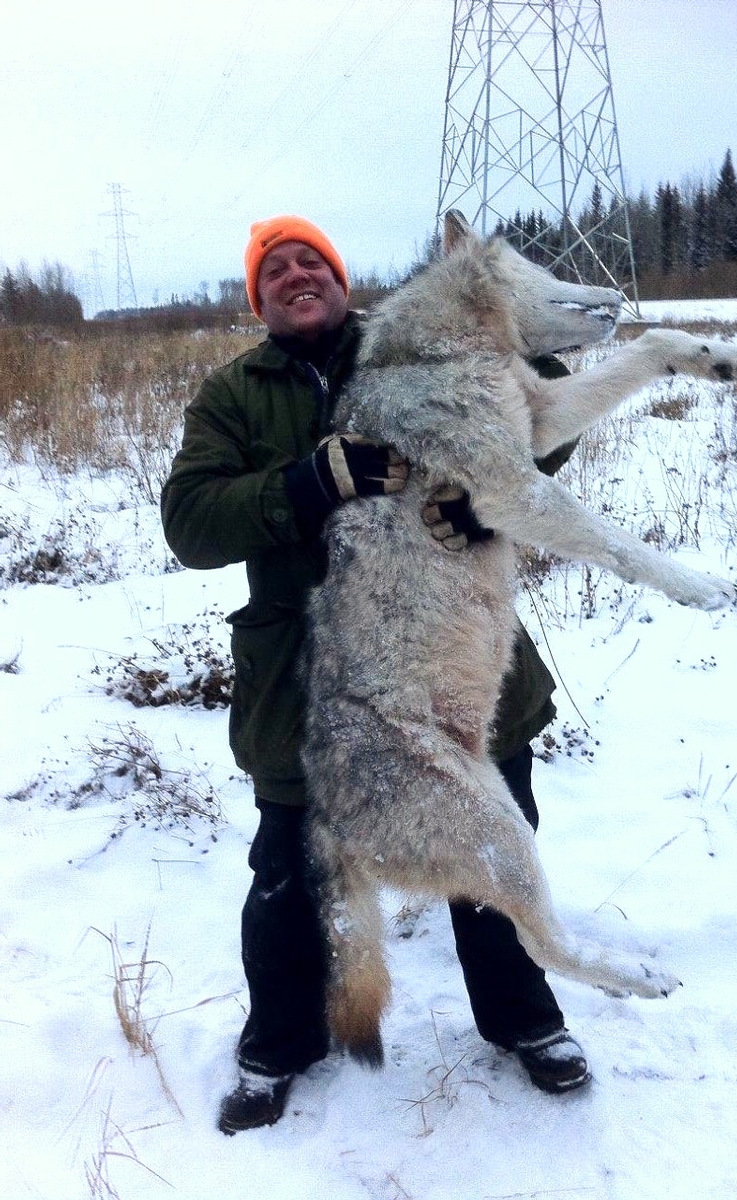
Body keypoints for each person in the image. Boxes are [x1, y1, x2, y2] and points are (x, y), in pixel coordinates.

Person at [160, 216, 590, 1136]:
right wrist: (302, 487)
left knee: (490, 839)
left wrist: (485, 495)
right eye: (273, 269)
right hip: (308, 689)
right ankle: (278, 1045)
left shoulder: (417, 344)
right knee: (291, 873)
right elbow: (190, 523)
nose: (294, 273)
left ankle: (525, 1021)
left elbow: (544, 424)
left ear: (341, 277)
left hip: (452, 666)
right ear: (258, 299)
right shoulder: (233, 395)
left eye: (309, 258)